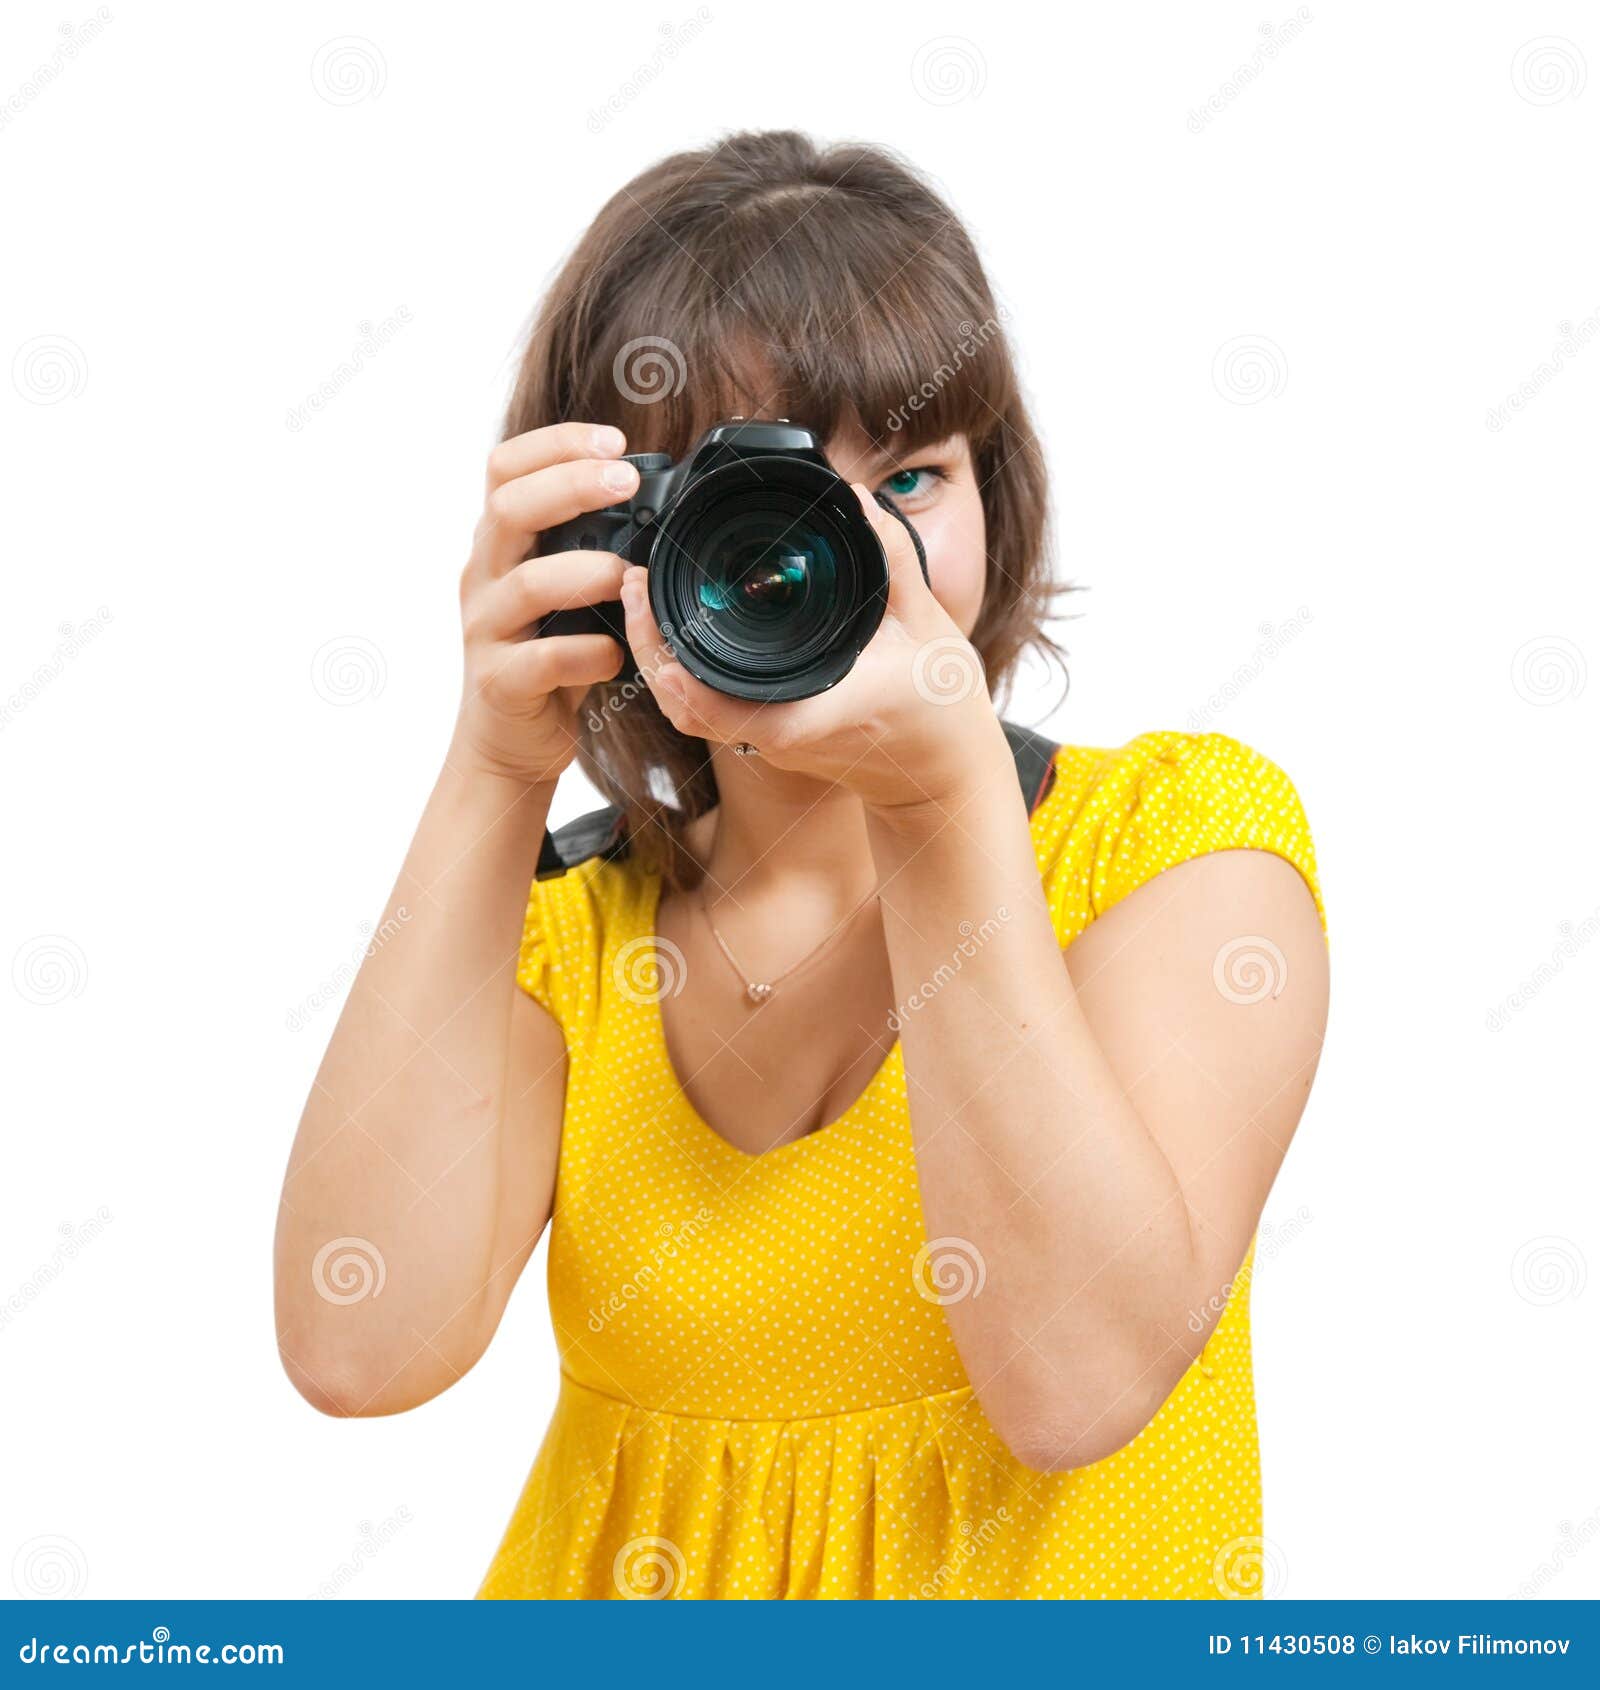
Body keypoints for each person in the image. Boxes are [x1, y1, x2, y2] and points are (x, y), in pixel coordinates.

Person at [274, 130, 1329, 1600]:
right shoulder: (572, 936)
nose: (845, 558)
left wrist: (945, 796)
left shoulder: (1175, 846)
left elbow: (1076, 1384)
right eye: (753, 506)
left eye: (909, 478)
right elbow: (356, 1347)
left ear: (996, 497)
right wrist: (494, 761)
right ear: (608, 533)